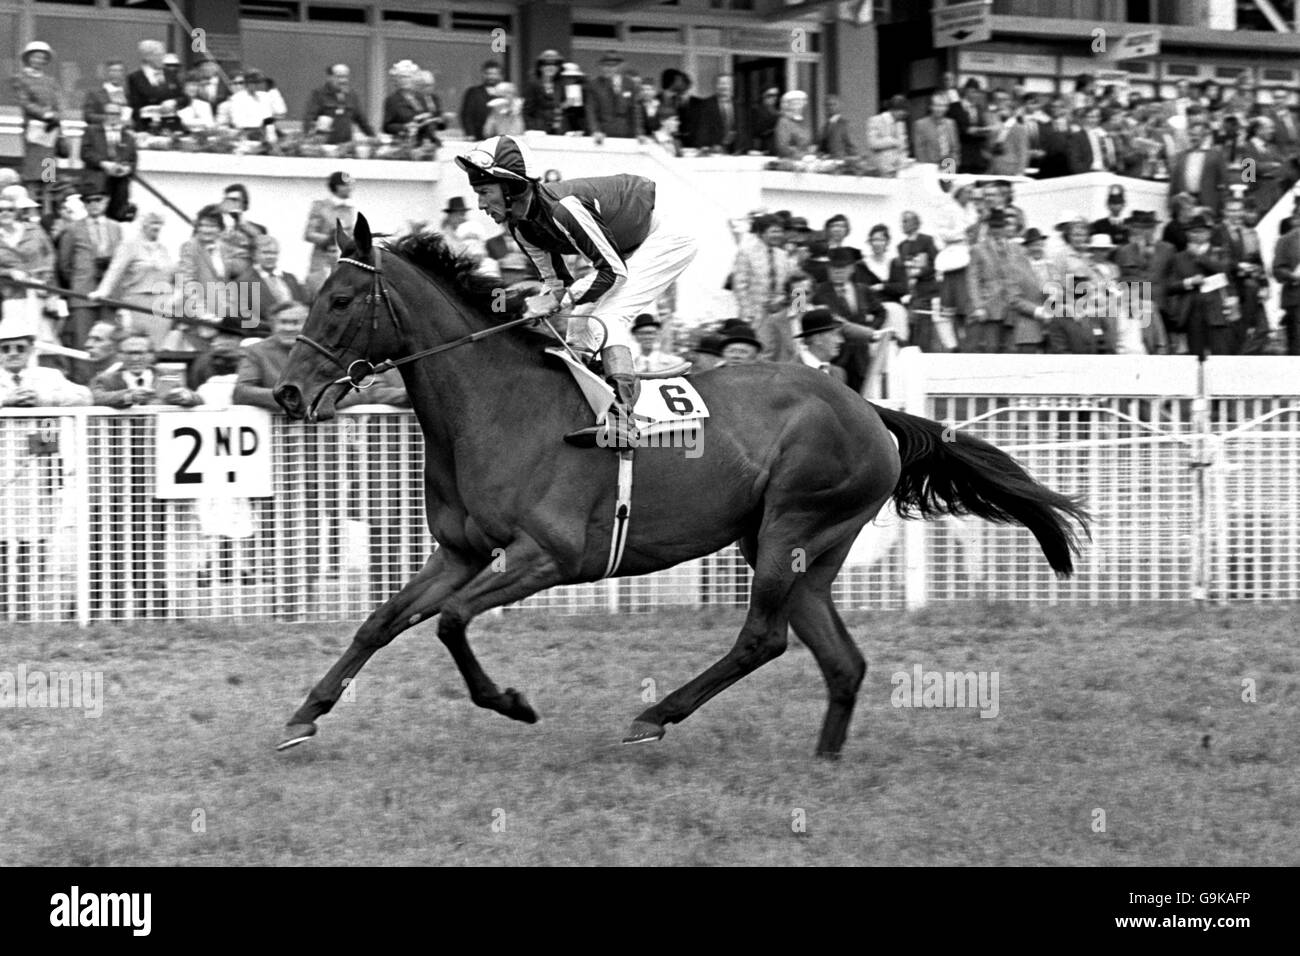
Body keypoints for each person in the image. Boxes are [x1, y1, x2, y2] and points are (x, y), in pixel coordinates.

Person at [456, 134, 697, 449]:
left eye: (485, 192)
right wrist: (531, 304)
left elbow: (613, 272)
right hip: (627, 249)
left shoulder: (564, 209)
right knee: (578, 324)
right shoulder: (520, 228)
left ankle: (623, 416)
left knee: (608, 318)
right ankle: (590, 407)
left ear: (512, 187)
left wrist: (559, 299)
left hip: (665, 239)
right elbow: (557, 286)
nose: (480, 204)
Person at [88, 210, 174, 345]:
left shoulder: (162, 249)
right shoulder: (130, 244)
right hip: (137, 300)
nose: (156, 227)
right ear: (144, 224)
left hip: (162, 304)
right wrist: (103, 291)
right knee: (135, 343)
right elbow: (115, 269)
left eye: (159, 224)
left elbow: (171, 273)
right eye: (153, 223)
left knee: (156, 347)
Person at [58, 186, 120, 349]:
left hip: (109, 295)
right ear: (84, 204)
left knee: (108, 341)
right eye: (89, 201)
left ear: (106, 201)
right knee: (84, 342)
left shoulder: (116, 228)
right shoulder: (72, 229)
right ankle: (83, 375)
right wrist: (81, 279)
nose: (93, 204)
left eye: (98, 200)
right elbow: (65, 264)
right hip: (82, 294)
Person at [731, 213, 793, 361]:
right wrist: (747, 313)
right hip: (756, 313)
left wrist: (787, 303)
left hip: (779, 313)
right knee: (760, 351)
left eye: (780, 231)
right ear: (761, 233)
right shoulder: (746, 253)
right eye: (773, 231)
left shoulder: (783, 255)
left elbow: (795, 286)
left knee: (782, 352)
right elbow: (739, 285)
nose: (777, 235)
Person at [0, 312, 90, 407]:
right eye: (6, 349)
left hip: (46, 422)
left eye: (20, 348)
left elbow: (86, 397)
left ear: (31, 349)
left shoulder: (49, 376)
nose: (13, 353)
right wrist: (5, 401)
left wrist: (42, 398)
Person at [13, 40, 63, 208]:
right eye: (35, 57)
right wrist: (43, 113)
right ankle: (31, 208)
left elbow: (59, 102)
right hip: (34, 132)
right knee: (33, 173)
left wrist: (56, 115)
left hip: (50, 131)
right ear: (28, 59)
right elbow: (25, 102)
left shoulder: (51, 81)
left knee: (48, 172)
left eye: (42, 58)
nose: (39, 61)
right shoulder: (21, 79)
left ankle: (47, 209)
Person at [89, 334, 202, 408]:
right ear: (119, 355)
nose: (135, 359)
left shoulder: (165, 375)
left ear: (151, 355)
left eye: (140, 353)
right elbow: (95, 398)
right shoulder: (106, 379)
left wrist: (184, 397)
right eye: (129, 353)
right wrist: (129, 397)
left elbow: (197, 399)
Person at [80, 102, 137, 222]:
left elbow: (133, 160)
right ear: (104, 115)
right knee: (98, 218)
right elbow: (85, 153)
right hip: (98, 182)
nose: (113, 117)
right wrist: (104, 164)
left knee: (117, 220)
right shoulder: (92, 131)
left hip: (119, 186)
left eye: (116, 114)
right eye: (110, 113)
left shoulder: (128, 137)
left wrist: (127, 168)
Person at [304, 172, 357, 295]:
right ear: (337, 187)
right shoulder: (320, 206)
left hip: (342, 260)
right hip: (322, 261)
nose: (350, 188)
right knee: (320, 294)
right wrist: (328, 239)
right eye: (346, 185)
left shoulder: (349, 209)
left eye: (350, 185)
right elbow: (309, 233)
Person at [125, 40, 188, 131]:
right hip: (148, 125)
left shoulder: (170, 74)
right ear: (147, 57)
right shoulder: (135, 77)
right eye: (158, 55)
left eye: (163, 55)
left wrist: (174, 102)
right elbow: (135, 106)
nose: (163, 58)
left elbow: (184, 98)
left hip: (171, 124)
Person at [304, 64, 374, 144]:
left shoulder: (351, 95)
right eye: (339, 77)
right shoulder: (319, 94)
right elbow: (309, 118)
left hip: (346, 146)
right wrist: (308, 138)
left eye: (345, 77)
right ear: (330, 78)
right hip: (324, 146)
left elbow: (362, 120)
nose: (343, 80)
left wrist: (372, 136)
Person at [382, 60, 443, 147]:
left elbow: (429, 121)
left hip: (424, 145)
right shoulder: (392, 100)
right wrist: (405, 127)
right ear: (396, 80)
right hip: (403, 146)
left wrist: (433, 121)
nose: (405, 80)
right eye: (401, 77)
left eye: (408, 77)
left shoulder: (421, 97)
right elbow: (386, 127)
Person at [590, 51, 638, 142]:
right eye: (606, 65)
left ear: (620, 67)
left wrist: (638, 133)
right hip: (603, 133)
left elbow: (635, 110)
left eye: (613, 66)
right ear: (601, 67)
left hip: (626, 132)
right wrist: (595, 130)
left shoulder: (629, 83)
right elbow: (591, 111)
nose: (608, 69)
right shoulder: (595, 84)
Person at [686, 74, 739, 154]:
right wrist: (710, 147)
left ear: (732, 86)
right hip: (713, 152)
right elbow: (701, 130)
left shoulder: (740, 105)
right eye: (721, 83)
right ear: (716, 86)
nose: (724, 86)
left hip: (736, 152)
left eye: (727, 83)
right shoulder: (705, 104)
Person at [794, 308, 847, 384]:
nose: (841, 340)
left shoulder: (839, 373)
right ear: (817, 339)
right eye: (834, 334)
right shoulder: (789, 372)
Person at [865, 95, 910, 177]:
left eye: (904, 111)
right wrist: (892, 141)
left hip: (898, 169)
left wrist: (904, 159)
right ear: (893, 110)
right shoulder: (876, 120)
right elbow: (872, 143)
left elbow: (903, 145)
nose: (903, 113)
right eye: (901, 110)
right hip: (881, 168)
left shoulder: (901, 123)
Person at [523, 50, 565, 135]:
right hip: (538, 131)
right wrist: (532, 129)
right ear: (540, 67)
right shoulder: (533, 85)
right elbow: (527, 111)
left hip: (558, 131)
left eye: (555, 64)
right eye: (547, 64)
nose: (551, 67)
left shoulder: (560, 85)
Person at [460, 60, 504, 142]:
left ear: (500, 76)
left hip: (501, 140)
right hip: (478, 139)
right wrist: (470, 134)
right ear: (483, 75)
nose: (491, 77)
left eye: (494, 74)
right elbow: (466, 115)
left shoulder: (506, 94)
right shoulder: (473, 92)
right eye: (488, 74)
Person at [913, 93, 959, 169]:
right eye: (937, 105)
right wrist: (930, 169)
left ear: (947, 107)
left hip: (950, 167)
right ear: (931, 106)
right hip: (930, 168)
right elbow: (920, 152)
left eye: (943, 105)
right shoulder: (920, 124)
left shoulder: (951, 123)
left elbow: (955, 148)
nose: (940, 109)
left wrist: (954, 165)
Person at [83, 59, 130, 125]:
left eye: (120, 71)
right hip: (103, 132)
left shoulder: (130, 94)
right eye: (113, 71)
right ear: (106, 73)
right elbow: (88, 116)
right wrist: (111, 118)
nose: (116, 74)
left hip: (126, 133)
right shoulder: (94, 94)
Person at [773, 91, 813, 158]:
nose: (800, 104)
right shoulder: (784, 122)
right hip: (790, 162)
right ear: (788, 104)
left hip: (805, 161)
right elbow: (783, 147)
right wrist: (803, 155)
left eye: (802, 101)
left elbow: (807, 143)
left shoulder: (803, 122)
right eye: (796, 102)